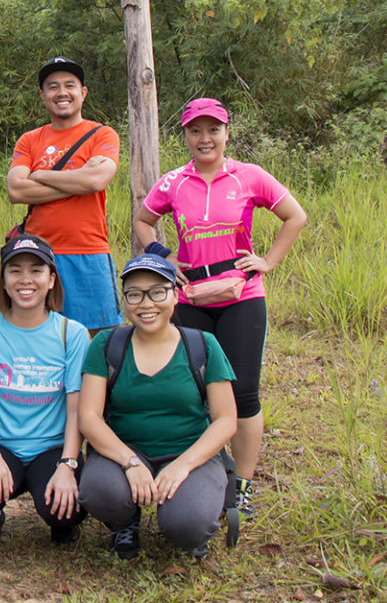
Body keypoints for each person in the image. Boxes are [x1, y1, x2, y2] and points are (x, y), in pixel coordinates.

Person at [131, 97, 307, 521]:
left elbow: (294, 216)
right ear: (186, 136)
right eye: (195, 130)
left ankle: (242, 486)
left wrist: (268, 261)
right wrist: (164, 259)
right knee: (196, 391)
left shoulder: (249, 176)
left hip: (242, 295)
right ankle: (203, 469)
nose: (205, 138)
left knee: (243, 391)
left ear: (227, 133)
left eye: (213, 130)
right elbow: (142, 221)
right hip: (190, 297)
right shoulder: (173, 182)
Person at [77, 250, 237, 560]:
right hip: (125, 450)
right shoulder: (107, 345)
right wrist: (130, 462)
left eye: (158, 292)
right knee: (99, 491)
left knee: (186, 525)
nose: (146, 304)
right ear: (124, 301)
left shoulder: (203, 345)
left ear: (175, 297)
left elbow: (226, 420)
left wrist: (184, 465)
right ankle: (124, 522)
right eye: (134, 295)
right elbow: (89, 417)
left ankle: (189, 519)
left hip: (190, 452)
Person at [0, 234, 90, 554]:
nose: (25, 280)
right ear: (3, 281)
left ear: (51, 279)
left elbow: (76, 410)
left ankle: (60, 520)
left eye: (36, 270)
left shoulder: (72, 334)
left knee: (72, 501)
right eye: (15, 271)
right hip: (3, 446)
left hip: (52, 448)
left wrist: (68, 464)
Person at [5, 56, 123, 333]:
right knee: (39, 335)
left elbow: (96, 180)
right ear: (43, 95)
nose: (61, 92)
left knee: (100, 341)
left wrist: (41, 175)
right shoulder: (30, 139)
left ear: (82, 93)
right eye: (52, 86)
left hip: (89, 251)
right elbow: (16, 189)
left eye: (69, 85)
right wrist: (78, 178)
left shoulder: (102, 134)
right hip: (37, 255)